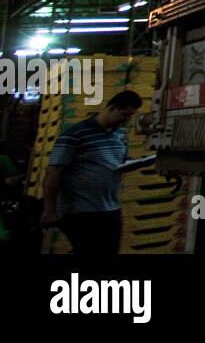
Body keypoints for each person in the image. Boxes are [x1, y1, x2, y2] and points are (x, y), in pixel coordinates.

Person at [40, 90, 142, 254]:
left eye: (131, 115)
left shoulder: (120, 134)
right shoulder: (74, 135)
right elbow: (53, 173)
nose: (127, 120)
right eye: (124, 114)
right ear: (111, 108)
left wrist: (130, 161)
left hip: (110, 207)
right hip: (80, 211)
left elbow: (120, 158)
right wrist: (49, 210)